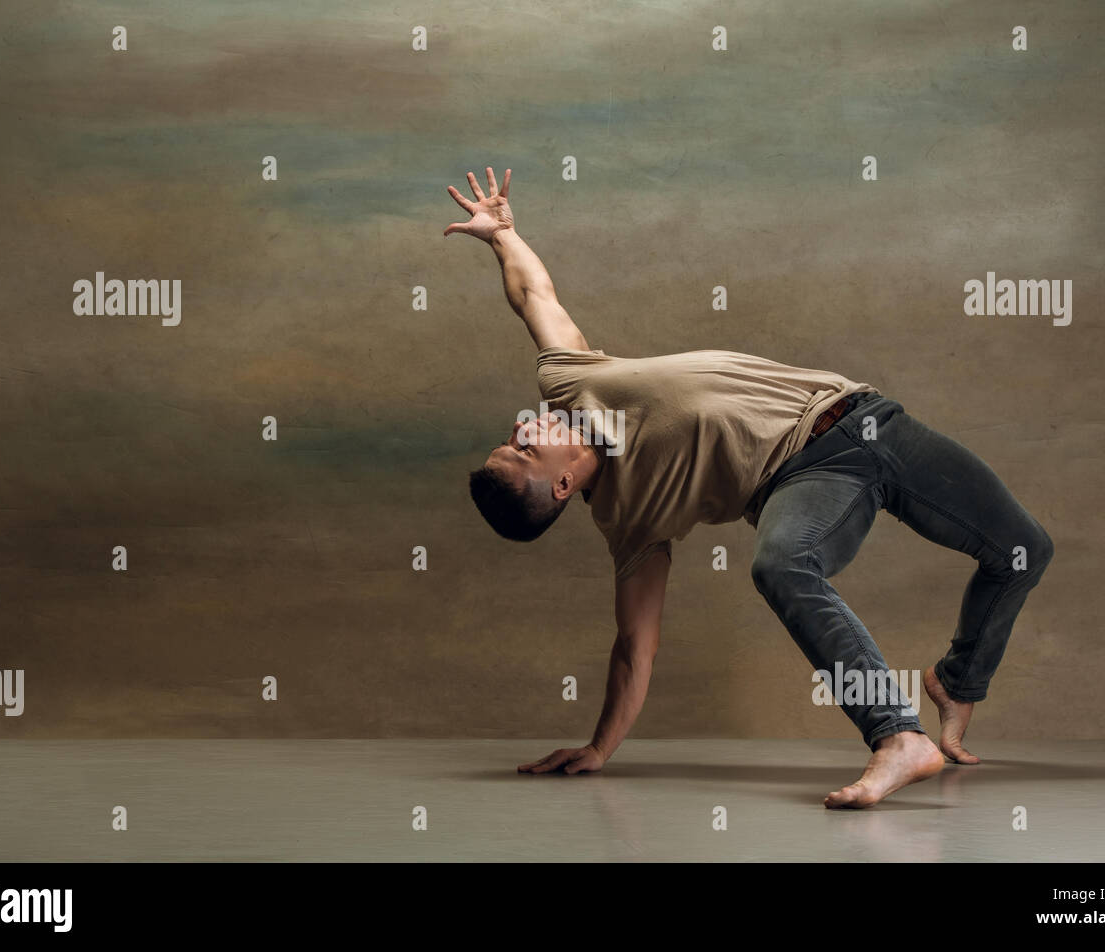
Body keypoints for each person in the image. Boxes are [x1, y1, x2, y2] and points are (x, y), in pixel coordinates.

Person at [447, 167, 1054, 808]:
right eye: (522, 447)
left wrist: (502, 237)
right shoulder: (630, 521)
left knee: (1022, 550)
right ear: (563, 483)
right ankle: (897, 735)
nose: (522, 425)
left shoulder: (571, 384)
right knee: (782, 563)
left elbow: (534, 296)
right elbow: (634, 647)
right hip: (806, 474)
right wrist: (600, 746)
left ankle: (957, 681)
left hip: (870, 419)